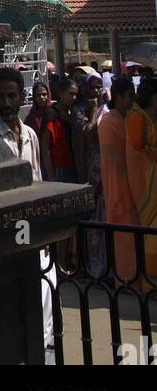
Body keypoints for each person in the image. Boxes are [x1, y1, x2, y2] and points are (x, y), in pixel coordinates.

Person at [0, 67, 55, 351]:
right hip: (3, 233)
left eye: (11, 96)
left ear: (20, 97)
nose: (5, 102)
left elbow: (37, 178)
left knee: (43, 293)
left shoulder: (30, 136)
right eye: (0, 96)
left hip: (33, 229)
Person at [98, 76, 138, 281]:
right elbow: (116, 161)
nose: (133, 100)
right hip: (117, 187)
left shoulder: (129, 118)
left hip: (134, 186)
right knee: (123, 237)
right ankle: (126, 279)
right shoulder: (108, 122)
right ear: (119, 97)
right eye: (131, 96)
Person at [72, 73, 108, 276]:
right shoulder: (79, 111)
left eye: (98, 87)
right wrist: (94, 111)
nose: (95, 91)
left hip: (105, 171)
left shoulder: (107, 109)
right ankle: (90, 266)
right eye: (92, 87)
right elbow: (87, 133)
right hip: (88, 172)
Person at [125, 77, 157, 282]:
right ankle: (150, 280)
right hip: (145, 181)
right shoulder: (137, 116)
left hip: (152, 179)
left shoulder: (148, 117)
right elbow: (139, 145)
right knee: (152, 231)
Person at [41, 76, 79, 184]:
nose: (74, 97)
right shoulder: (51, 115)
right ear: (61, 93)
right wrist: (51, 176)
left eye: (76, 94)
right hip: (58, 168)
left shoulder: (75, 114)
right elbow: (45, 148)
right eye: (71, 94)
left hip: (73, 166)